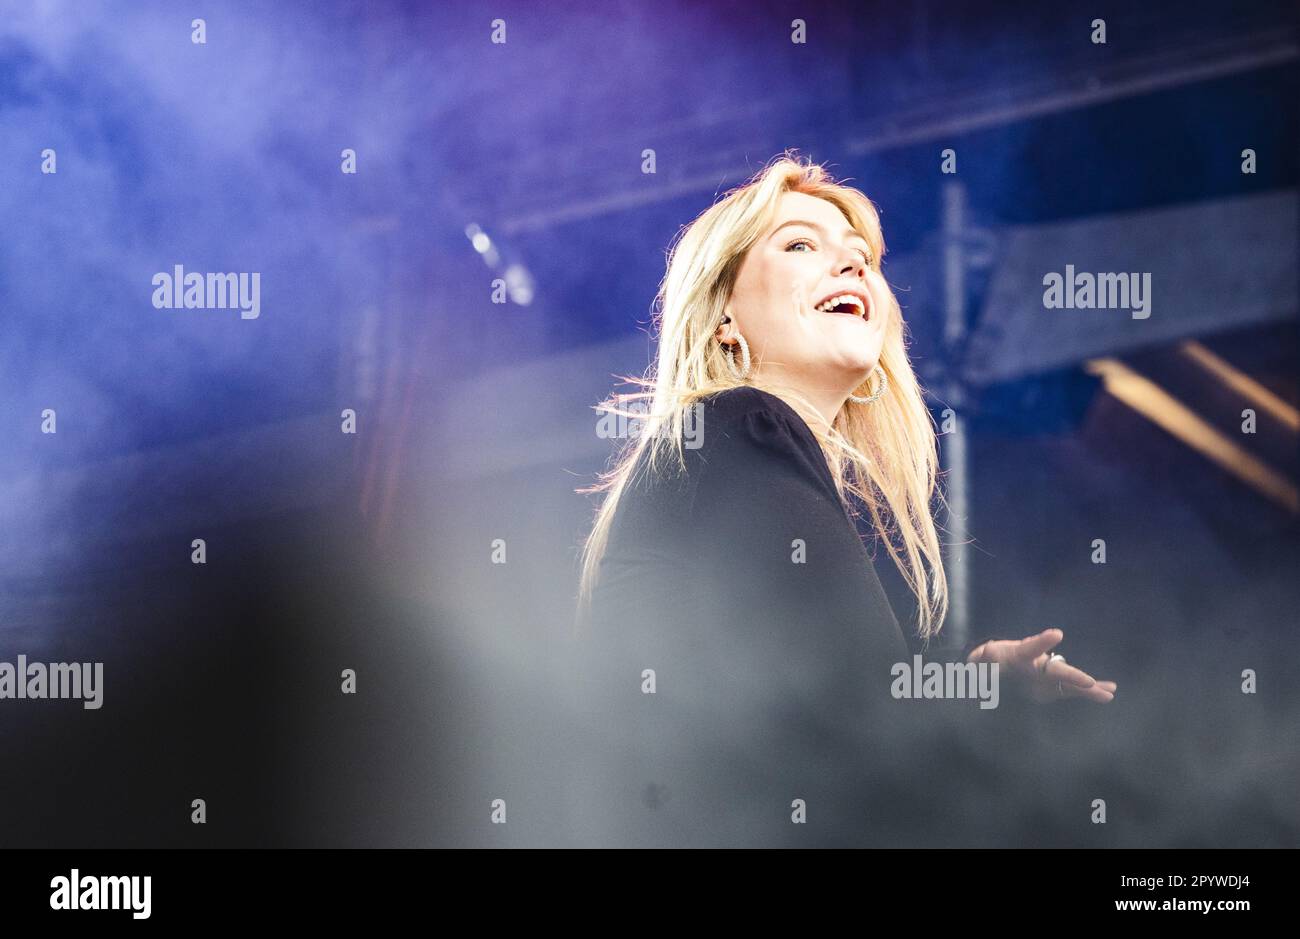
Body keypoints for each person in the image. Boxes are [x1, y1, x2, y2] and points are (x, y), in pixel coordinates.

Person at [572, 152, 1115, 847]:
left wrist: (979, 681)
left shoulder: (723, 449)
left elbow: (824, 700)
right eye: (800, 245)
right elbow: (866, 718)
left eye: (864, 257)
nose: (854, 266)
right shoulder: (739, 423)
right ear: (724, 319)